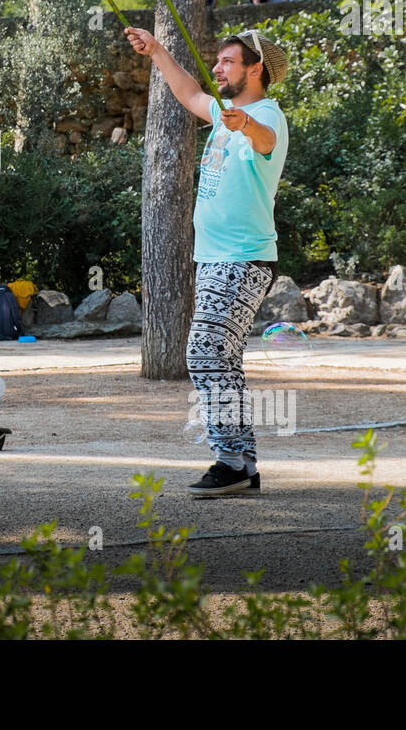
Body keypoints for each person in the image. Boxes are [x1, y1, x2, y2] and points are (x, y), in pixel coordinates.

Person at [123, 25, 289, 495]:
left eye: (228, 61)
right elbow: (189, 91)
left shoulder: (266, 116)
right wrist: (156, 50)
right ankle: (242, 464)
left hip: (244, 258)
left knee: (204, 353)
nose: (217, 68)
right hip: (215, 258)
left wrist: (245, 124)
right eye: (217, 60)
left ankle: (230, 462)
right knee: (221, 357)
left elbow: (262, 139)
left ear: (256, 69)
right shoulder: (223, 112)